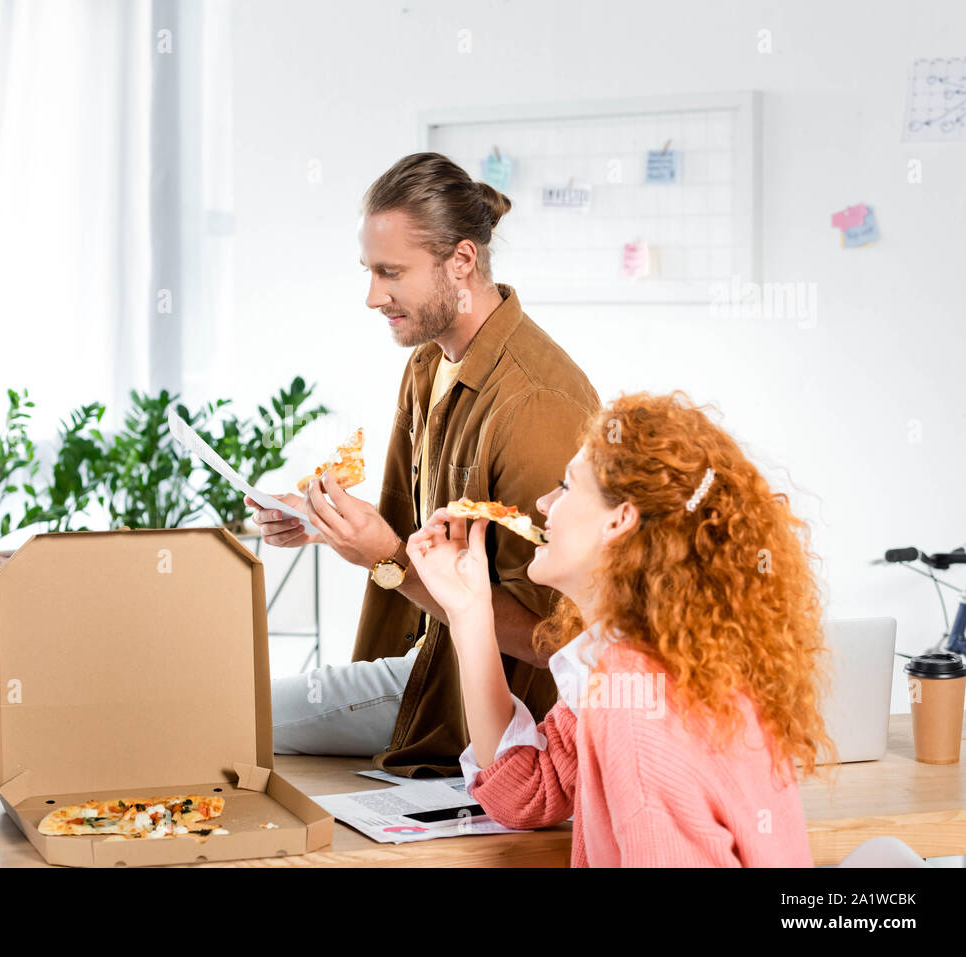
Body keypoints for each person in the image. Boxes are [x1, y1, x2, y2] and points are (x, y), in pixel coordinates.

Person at [250, 152, 599, 774]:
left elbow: (554, 641)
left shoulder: (536, 403)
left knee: (235, 716)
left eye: (391, 272)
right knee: (236, 711)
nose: (371, 296)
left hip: (481, 704)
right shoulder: (429, 363)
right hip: (422, 659)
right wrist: (321, 520)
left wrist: (384, 557)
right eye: (369, 270)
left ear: (461, 261)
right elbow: (408, 528)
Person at [407, 391, 838, 865]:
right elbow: (527, 792)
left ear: (619, 521)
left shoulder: (636, 703)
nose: (543, 502)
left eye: (566, 486)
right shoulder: (653, 665)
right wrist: (469, 613)